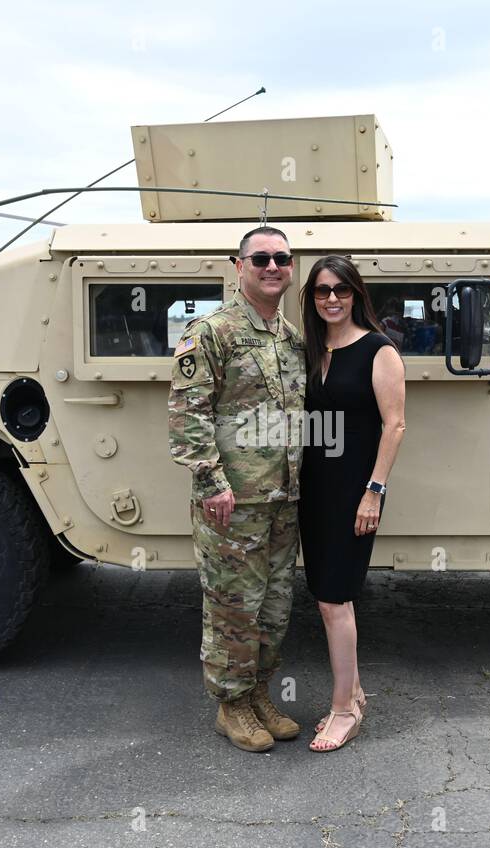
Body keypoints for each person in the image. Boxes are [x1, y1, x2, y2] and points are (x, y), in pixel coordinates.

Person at [167, 226, 307, 753]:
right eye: (262, 258)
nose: (273, 266)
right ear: (238, 265)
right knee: (233, 606)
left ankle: (259, 696)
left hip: (283, 499)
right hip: (233, 499)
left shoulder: (290, 338)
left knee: (274, 605)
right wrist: (210, 482)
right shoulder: (210, 332)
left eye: (282, 258)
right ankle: (231, 705)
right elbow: (189, 413)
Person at [297, 255, 406, 752]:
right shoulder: (317, 350)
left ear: (356, 294)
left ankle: (344, 711)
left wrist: (374, 490)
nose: (332, 299)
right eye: (322, 291)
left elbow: (395, 425)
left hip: (353, 493)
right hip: (316, 488)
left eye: (341, 290)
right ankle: (354, 692)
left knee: (334, 599)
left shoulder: (378, 350)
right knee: (325, 596)